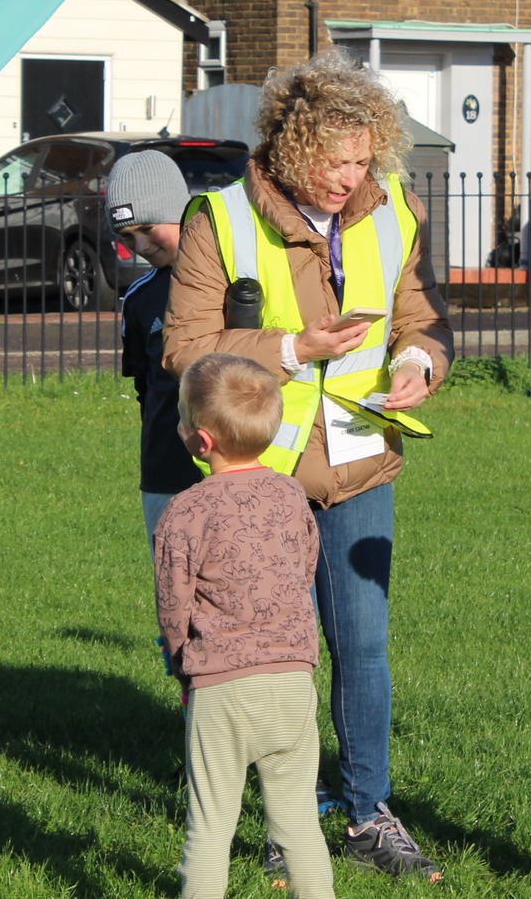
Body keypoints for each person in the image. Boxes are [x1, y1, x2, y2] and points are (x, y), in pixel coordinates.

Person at [163, 52, 452, 882]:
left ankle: (367, 811)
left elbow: (420, 317)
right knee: (266, 655)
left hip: (360, 462)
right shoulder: (217, 217)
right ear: (290, 148)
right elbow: (183, 349)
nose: (348, 177)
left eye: (362, 159)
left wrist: (420, 365)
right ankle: (286, 817)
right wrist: (292, 349)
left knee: (362, 643)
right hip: (258, 477)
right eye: (332, 161)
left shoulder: (395, 207)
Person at [154, 353, 337, 899]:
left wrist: (180, 660)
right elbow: (306, 566)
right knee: (299, 823)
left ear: (200, 441)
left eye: (184, 416)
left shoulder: (184, 512)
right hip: (291, 683)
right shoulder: (290, 495)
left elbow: (172, 604)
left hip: (221, 689)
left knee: (210, 826)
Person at [105, 148, 202, 539]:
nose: (141, 246)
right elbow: (146, 388)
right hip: (167, 472)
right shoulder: (140, 299)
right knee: (175, 592)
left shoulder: (236, 277)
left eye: (147, 229)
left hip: (242, 465)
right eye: (128, 237)